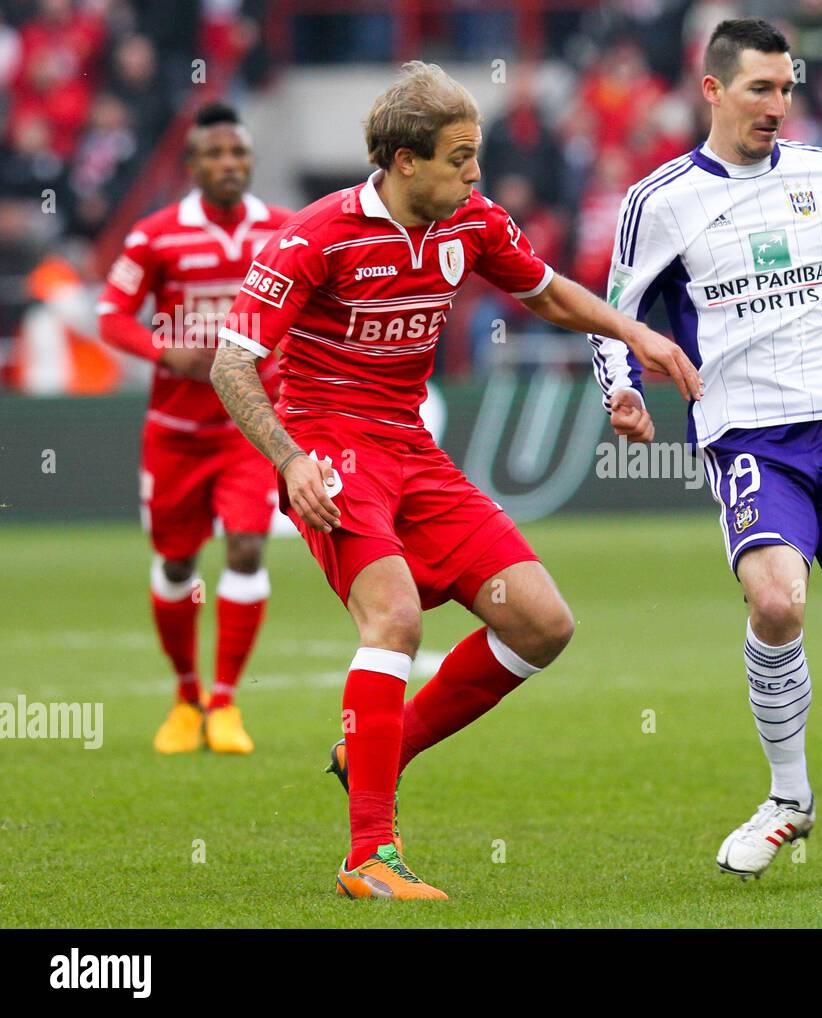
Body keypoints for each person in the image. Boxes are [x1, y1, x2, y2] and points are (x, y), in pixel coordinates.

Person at [211, 62, 700, 901]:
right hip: (334, 445)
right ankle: (369, 854)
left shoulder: (470, 221)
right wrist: (290, 460)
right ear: (406, 161)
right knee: (393, 618)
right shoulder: (314, 236)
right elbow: (232, 361)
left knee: (543, 622)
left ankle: (377, 742)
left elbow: (545, 295)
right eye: (459, 156)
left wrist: (635, 336)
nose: (476, 172)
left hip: (411, 447)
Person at [588, 19, 822, 891]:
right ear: (712, 89)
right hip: (749, 434)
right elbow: (613, 312)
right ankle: (788, 798)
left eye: (787, 88)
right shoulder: (660, 198)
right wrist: (624, 388)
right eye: (760, 89)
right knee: (778, 602)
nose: (777, 106)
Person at [97, 102, 293, 755]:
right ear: (192, 165)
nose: (229, 164)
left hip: (248, 427)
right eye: (214, 154)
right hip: (176, 429)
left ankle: (226, 704)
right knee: (177, 563)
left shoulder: (283, 230)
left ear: (250, 160)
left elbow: (314, 306)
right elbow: (111, 315)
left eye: (238, 153)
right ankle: (186, 696)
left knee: (245, 549)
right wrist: (164, 351)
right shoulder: (156, 235)